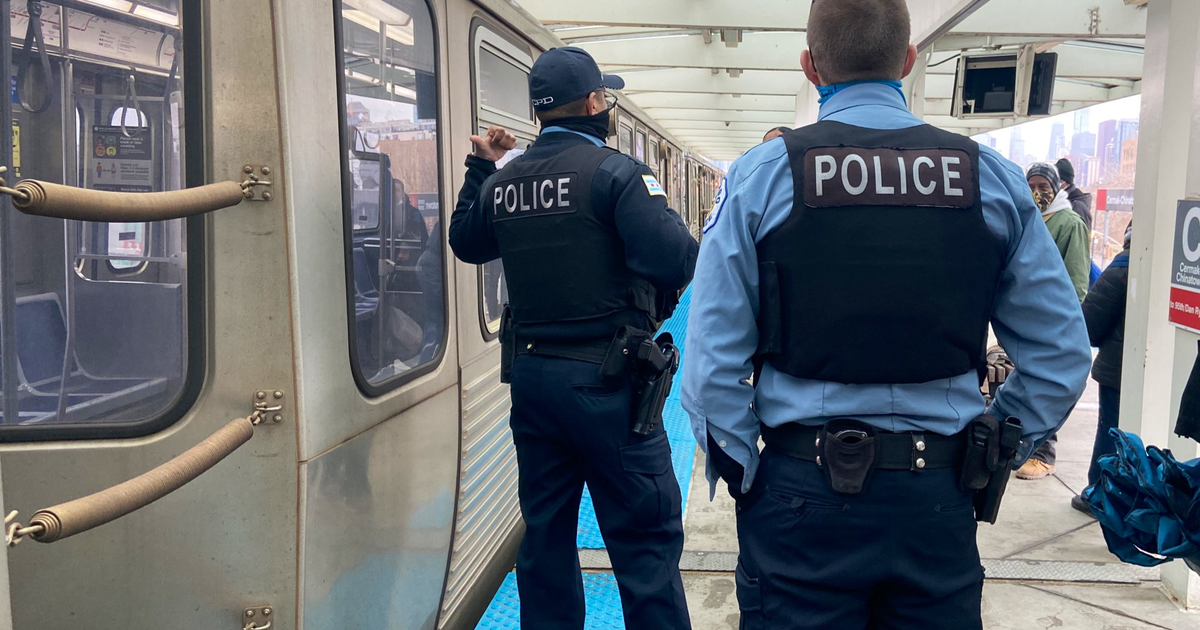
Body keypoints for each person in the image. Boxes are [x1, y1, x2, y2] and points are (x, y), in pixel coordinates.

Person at [680, 1, 1091, 628]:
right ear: (907, 60)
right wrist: (992, 450)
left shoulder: (761, 177)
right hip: (937, 493)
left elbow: (711, 366)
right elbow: (1060, 356)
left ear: (810, 67)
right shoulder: (991, 181)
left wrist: (750, 474)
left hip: (799, 491)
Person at [448, 46, 697, 630]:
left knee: (546, 535)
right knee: (643, 541)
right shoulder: (617, 174)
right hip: (610, 385)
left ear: (539, 114)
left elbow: (467, 243)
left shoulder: (505, 185)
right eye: (604, 96)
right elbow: (676, 258)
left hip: (532, 383)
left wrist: (482, 166)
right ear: (592, 104)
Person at [1015, 162, 1092, 480]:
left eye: (1043, 187)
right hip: (1023, 319)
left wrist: (1055, 317)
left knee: (1049, 384)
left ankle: (1044, 454)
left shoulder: (1068, 223)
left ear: (1058, 189)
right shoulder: (1029, 219)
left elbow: (1077, 282)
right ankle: (1023, 446)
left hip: (1050, 321)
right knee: (1021, 384)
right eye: (1031, 185)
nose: (1037, 193)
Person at [1071, 222, 1132, 515]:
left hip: (1118, 371)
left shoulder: (1122, 267)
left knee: (1110, 430)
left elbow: (1090, 323)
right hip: (1159, 373)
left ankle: (1099, 493)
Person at [1055, 157, 1094, 233]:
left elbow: (1079, 239)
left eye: (1057, 181)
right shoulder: (1062, 201)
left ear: (1066, 182)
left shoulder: (1077, 206)